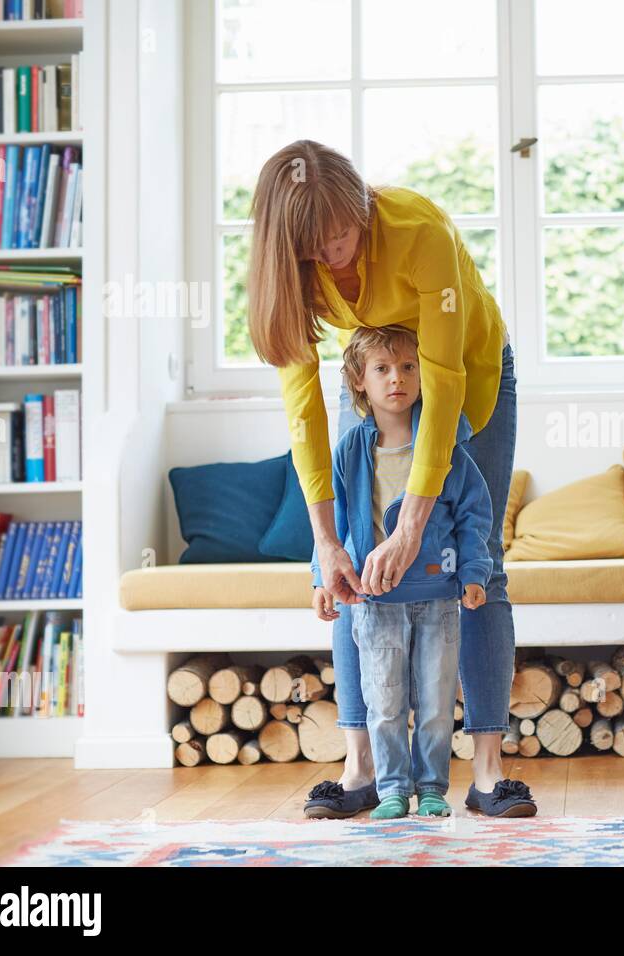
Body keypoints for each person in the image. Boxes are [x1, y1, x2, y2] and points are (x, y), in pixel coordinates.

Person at [247, 140, 536, 818]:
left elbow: (443, 377)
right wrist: (325, 540)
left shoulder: (418, 232)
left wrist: (411, 525)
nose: (333, 255)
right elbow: (302, 405)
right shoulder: (283, 265)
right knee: (348, 574)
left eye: (342, 236)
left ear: (362, 210)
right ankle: (363, 767)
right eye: (313, 248)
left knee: (477, 562)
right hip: (378, 384)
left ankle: (488, 771)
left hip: (465, 376)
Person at [311, 326, 487, 818]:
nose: (397, 379)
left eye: (409, 367)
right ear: (359, 382)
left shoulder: (445, 447)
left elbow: (475, 515)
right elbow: (333, 525)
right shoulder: (350, 450)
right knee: (384, 704)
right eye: (383, 369)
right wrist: (319, 580)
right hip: (373, 602)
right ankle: (391, 789)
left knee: (433, 703)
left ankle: (432, 787)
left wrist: (474, 573)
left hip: (439, 596)